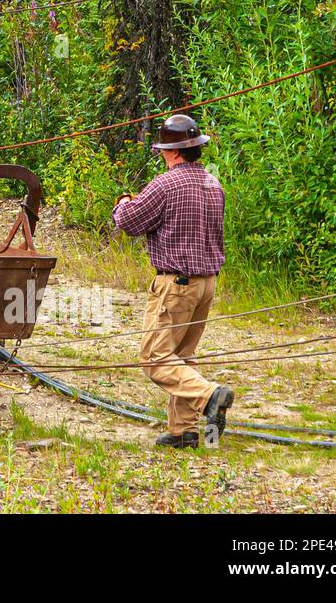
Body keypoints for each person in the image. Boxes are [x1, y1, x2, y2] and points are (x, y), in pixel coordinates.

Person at [113, 114, 235, 449]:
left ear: (175, 152)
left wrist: (123, 203)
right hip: (206, 283)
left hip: (177, 284)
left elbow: (130, 222)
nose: (163, 155)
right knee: (183, 355)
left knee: (154, 358)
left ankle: (210, 395)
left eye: (164, 149)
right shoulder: (213, 184)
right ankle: (184, 432)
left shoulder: (165, 184)